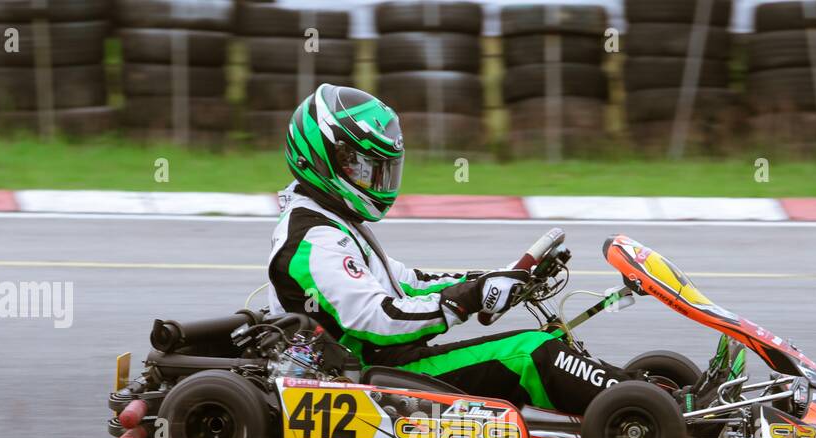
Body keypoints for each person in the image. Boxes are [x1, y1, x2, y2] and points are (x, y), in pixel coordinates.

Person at [265, 84, 636, 414]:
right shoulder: (312, 240)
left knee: (541, 345)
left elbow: (407, 283)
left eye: (382, 170)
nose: (376, 182)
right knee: (530, 354)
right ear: (322, 158)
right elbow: (378, 321)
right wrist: (466, 300)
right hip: (369, 381)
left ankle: (645, 391)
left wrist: (488, 280)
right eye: (365, 169)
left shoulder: (331, 222)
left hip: (389, 366)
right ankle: (641, 407)